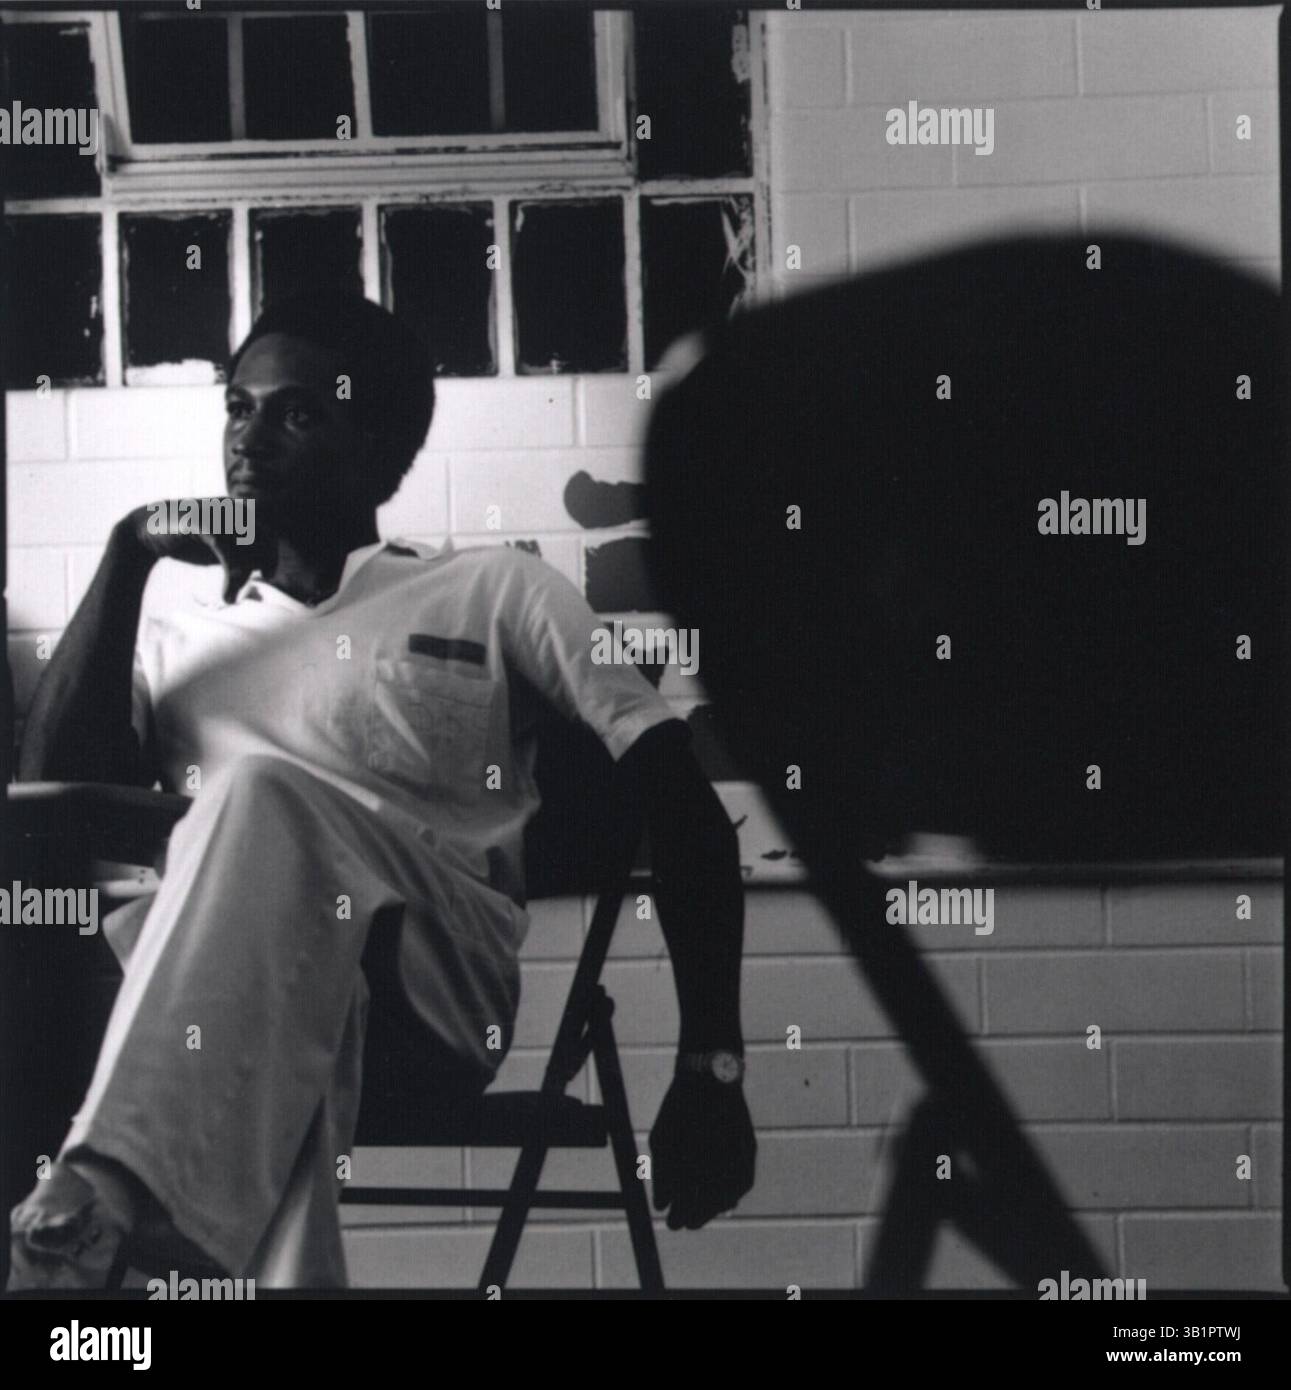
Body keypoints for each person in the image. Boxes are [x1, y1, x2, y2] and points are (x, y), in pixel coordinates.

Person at [8, 294, 755, 1290]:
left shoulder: (494, 590)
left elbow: (677, 795)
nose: (250, 440)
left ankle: (94, 1190)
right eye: (238, 407)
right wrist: (127, 550)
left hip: (430, 996)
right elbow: (45, 789)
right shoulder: (173, 640)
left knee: (260, 798)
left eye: (297, 412)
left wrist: (713, 1064)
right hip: (224, 1009)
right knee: (255, 981)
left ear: (381, 446)